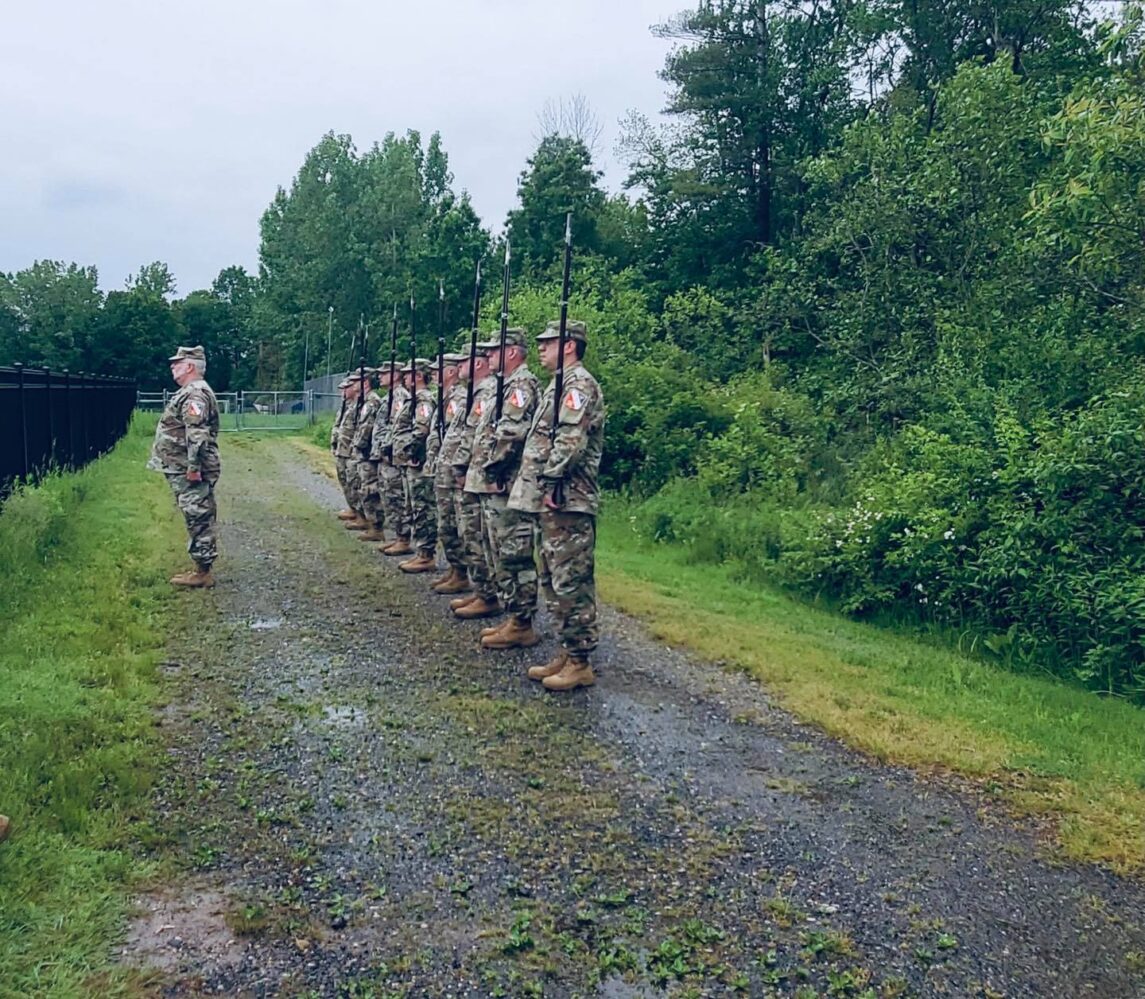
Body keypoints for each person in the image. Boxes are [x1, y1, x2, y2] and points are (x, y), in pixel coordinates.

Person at [508, 321, 605, 691]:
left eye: (547, 343)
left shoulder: (578, 385)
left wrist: (551, 480)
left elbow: (571, 440)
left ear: (569, 346)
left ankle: (580, 661)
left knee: (571, 579)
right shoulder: (557, 385)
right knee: (552, 575)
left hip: (568, 497)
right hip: (554, 499)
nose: (541, 348)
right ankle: (568, 652)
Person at [464, 328, 541, 650]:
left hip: (506, 484)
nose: (487, 357)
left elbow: (511, 434)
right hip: (493, 483)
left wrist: (493, 468)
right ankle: (511, 615)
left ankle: (522, 622)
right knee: (497, 550)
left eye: (494, 351)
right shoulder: (501, 385)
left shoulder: (521, 385)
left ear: (511, 352)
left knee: (513, 553)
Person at [148, 345, 222, 588]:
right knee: (195, 513)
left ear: (190, 366)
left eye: (177, 363)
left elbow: (197, 434)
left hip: (189, 468)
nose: (172, 366)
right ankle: (200, 566)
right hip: (181, 465)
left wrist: (193, 467)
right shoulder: (190, 391)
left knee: (197, 514)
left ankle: (202, 572)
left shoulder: (195, 394)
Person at [449, 344, 501, 620]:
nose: (459, 365)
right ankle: (480, 589)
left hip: (484, 477)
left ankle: (489, 595)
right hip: (471, 474)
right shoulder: (478, 392)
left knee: (482, 537)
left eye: (464, 360)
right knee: (470, 533)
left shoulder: (492, 390)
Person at [426, 350, 471, 594]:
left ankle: (462, 573)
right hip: (443, 468)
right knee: (446, 524)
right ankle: (455, 570)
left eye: (438, 369)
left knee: (456, 524)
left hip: (454, 471)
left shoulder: (459, 398)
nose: (433, 373)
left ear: (451, 371)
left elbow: (459, 435)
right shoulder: (443, 397)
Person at [392, 359, 438, 573]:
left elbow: (422, 428)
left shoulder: (424, 399)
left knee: (422, 507)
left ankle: (426, 554)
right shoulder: (414, 398)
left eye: (409, 374)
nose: (404, 378)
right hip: (408, 461)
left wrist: (411, 450)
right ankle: (420, 552)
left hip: (417, 461)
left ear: (419, 376)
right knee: (412, 505)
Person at [372, 360, 412, 556]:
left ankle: (403, 538)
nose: (380, 376)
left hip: (393, 455)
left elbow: (397, 427)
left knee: (396, 496)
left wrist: (388, 449)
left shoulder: (400, 396)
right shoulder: (390, 396)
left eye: (384, 372)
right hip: (386, 454)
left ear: (396, 374)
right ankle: (397, 536)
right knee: (388, 495)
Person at [351, 368, 386, 542]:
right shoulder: (365, 401)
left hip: (367, 452)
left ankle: (376, 526)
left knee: (370, 489)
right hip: (363, 452)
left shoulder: (372, 401)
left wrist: (360, 446)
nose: (352, 384)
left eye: (356, 380)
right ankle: (369, 522)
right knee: (363, 487)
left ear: (365, 382)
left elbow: (367, 427)